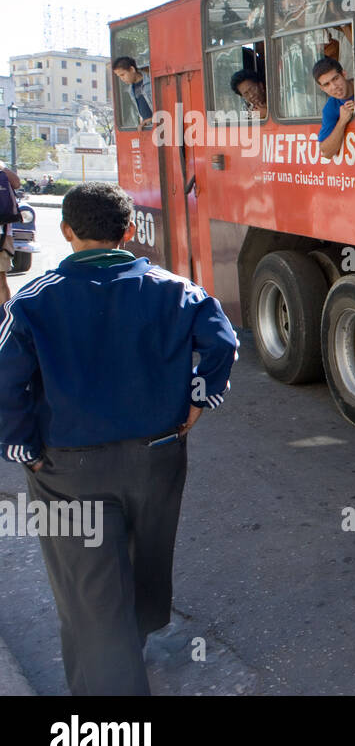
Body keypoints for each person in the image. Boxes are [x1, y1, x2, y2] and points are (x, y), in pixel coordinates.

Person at [0, 182, 239, 695]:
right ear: (130, 231)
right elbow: (223, 344)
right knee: (146, 557)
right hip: (156, 457)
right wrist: (198, 402)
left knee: (90, 592)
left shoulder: (33, 300)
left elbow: (6, 382)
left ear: (66, 232)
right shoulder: (177, 289)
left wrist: (23, 449)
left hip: (67, 470)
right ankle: (137, 637)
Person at [312, 56, 355, 160]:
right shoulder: (330, 108)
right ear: (322, 88)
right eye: (327, 84)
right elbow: (327, 153)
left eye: (335, 79)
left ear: (344, 74)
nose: (334, 86)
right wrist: (342, 121)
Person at [0, 160, 21, 305]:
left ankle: (4, 318)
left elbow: (16, 183)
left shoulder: (2, 170)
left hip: (2, 235)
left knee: (1, 279)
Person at [111, 56, 153, 127]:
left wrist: (152, 119)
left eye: (123, 74)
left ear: (132, 69)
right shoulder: (130, 89)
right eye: (119, 76)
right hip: (148, 128)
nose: (122, 79)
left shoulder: (150, 81)